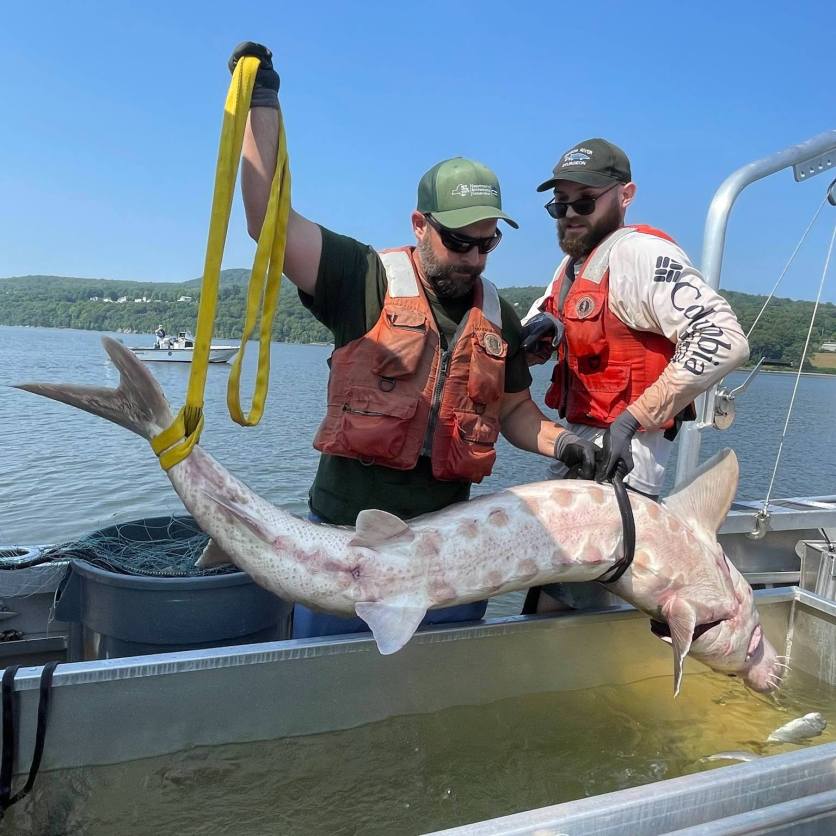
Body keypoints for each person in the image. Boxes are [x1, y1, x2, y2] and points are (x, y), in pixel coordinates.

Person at [231, 42, 598, 639]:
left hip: (450, 558)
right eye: (460, 242)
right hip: (348, 551)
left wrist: (565, 446)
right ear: (420, 225)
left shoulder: (494, 312)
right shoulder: (362, 278)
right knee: (327, 693)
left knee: (431, 697)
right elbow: (265, 222)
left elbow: (511, 409)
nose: (475, 259)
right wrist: (263, 106)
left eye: (489, 244)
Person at [520, 137, 750, 613]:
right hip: (577, 462)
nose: (569, 213)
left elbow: (723, 337)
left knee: (570, 615)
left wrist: (632, 419)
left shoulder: (640, 256)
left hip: (620, 474)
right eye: (559, 204)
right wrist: (538, 333)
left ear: (625, 196)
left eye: (584, 201)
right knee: (546, 603)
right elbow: (540, 320)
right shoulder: (571, 268)